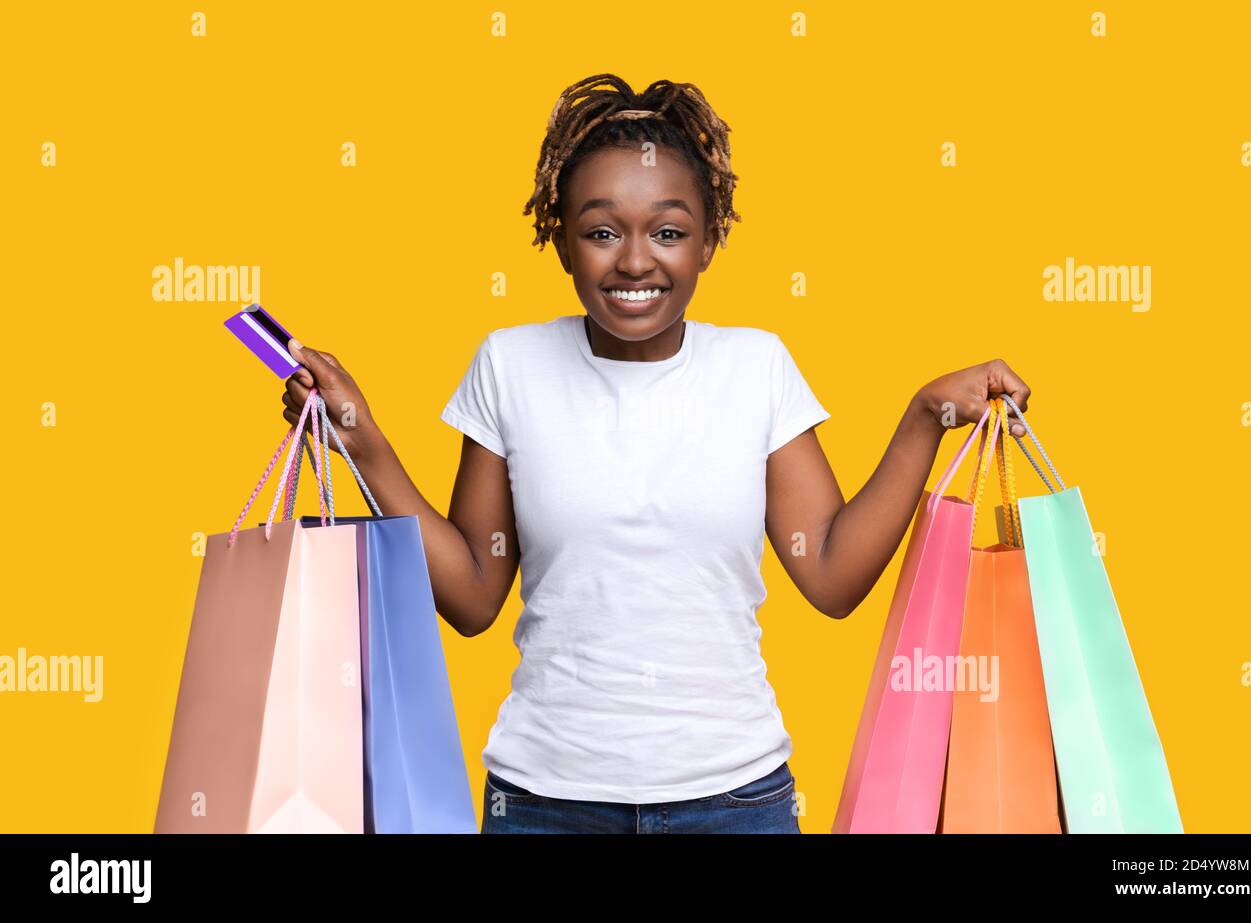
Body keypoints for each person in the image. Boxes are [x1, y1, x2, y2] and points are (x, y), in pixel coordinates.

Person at [280, 74, 1032, 834]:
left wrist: (921, 418)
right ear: (560, 237)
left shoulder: (756, 366)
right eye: (602, 231)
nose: (635, 261)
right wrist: (362, 440)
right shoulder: (511, 365)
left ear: (709, 241)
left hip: (735, 801)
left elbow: (833, 575)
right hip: (544, 803)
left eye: (668, 232)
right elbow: (473, 595)